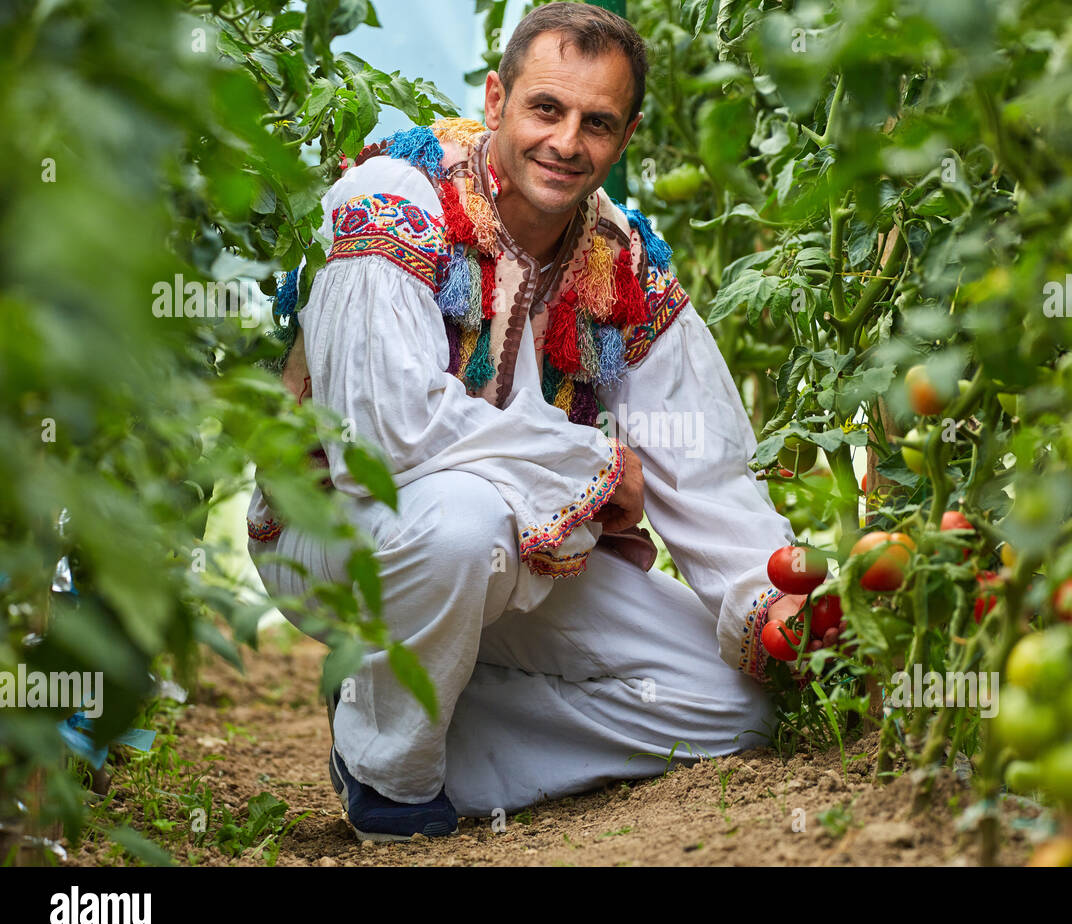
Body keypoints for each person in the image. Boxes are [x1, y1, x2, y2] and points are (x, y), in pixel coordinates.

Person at [246, 2, 808, 842]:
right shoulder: (392, 198)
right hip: (341, 538)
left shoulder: (620, 261)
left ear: (627, 135)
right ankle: (391, 779)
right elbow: (386, 436)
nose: (567, 142)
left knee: (733, 709)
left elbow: (705, 463)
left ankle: (434, 734)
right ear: (496, 97)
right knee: (463, 523)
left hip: (525, 550)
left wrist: (773, 596)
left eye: (598, 123)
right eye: (547, 109)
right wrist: (595, 466)